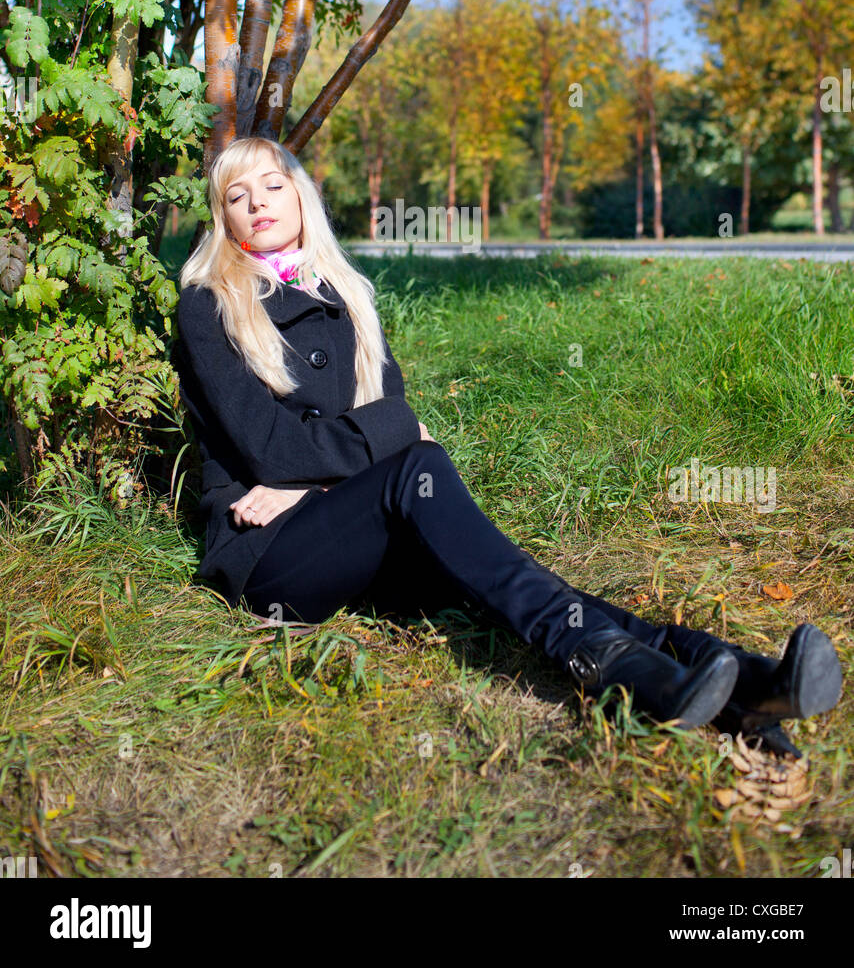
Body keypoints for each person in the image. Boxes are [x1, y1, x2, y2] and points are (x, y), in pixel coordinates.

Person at [171, 137, 843, 754]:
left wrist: (321, 474)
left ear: (301, 195)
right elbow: (289, 449)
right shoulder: (210, 304)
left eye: (272, 185)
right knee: (420, 470)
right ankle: (624, 670)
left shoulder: (346, 297)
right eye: (237, 195)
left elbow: (339, 437)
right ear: (224, 215)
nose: (257, 202)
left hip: (359, 533)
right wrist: (356, 452)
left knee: (515, 579)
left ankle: (733, 681)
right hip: (273, 561)